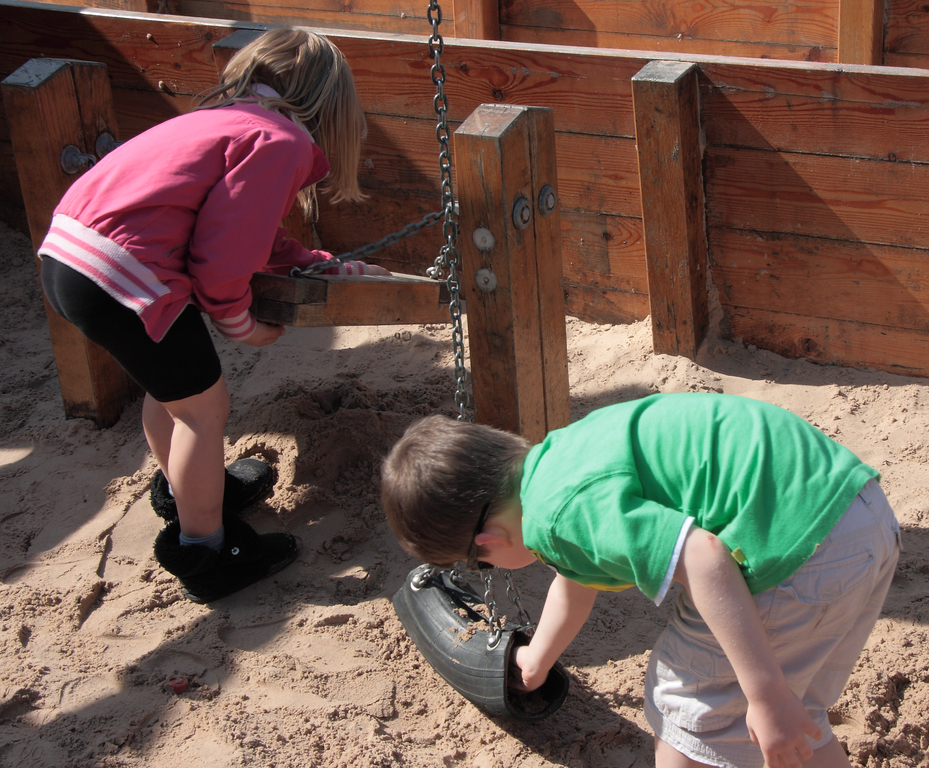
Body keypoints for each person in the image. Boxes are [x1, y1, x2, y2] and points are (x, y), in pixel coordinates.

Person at [37, 26, 389, 604]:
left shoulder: (226, 120)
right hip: (128, 275)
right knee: (205, 409)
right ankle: (207, 550)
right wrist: (239, 323)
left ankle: (190, 489)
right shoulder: (281, 142)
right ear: (332, 107)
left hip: (71, 260)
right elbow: (224, 256)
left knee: (171, 391)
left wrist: (326, 266)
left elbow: (248, 230)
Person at [381, 393, 901, 768]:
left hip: (792, 554)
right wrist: (536, 660)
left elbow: (701, 555)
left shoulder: (558, 517)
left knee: (683, 705)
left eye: (478, 566)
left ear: (487, 542)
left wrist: (764, 693)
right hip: (854, 510)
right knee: (793, 722)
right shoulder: (561, 459)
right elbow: (575, 580)